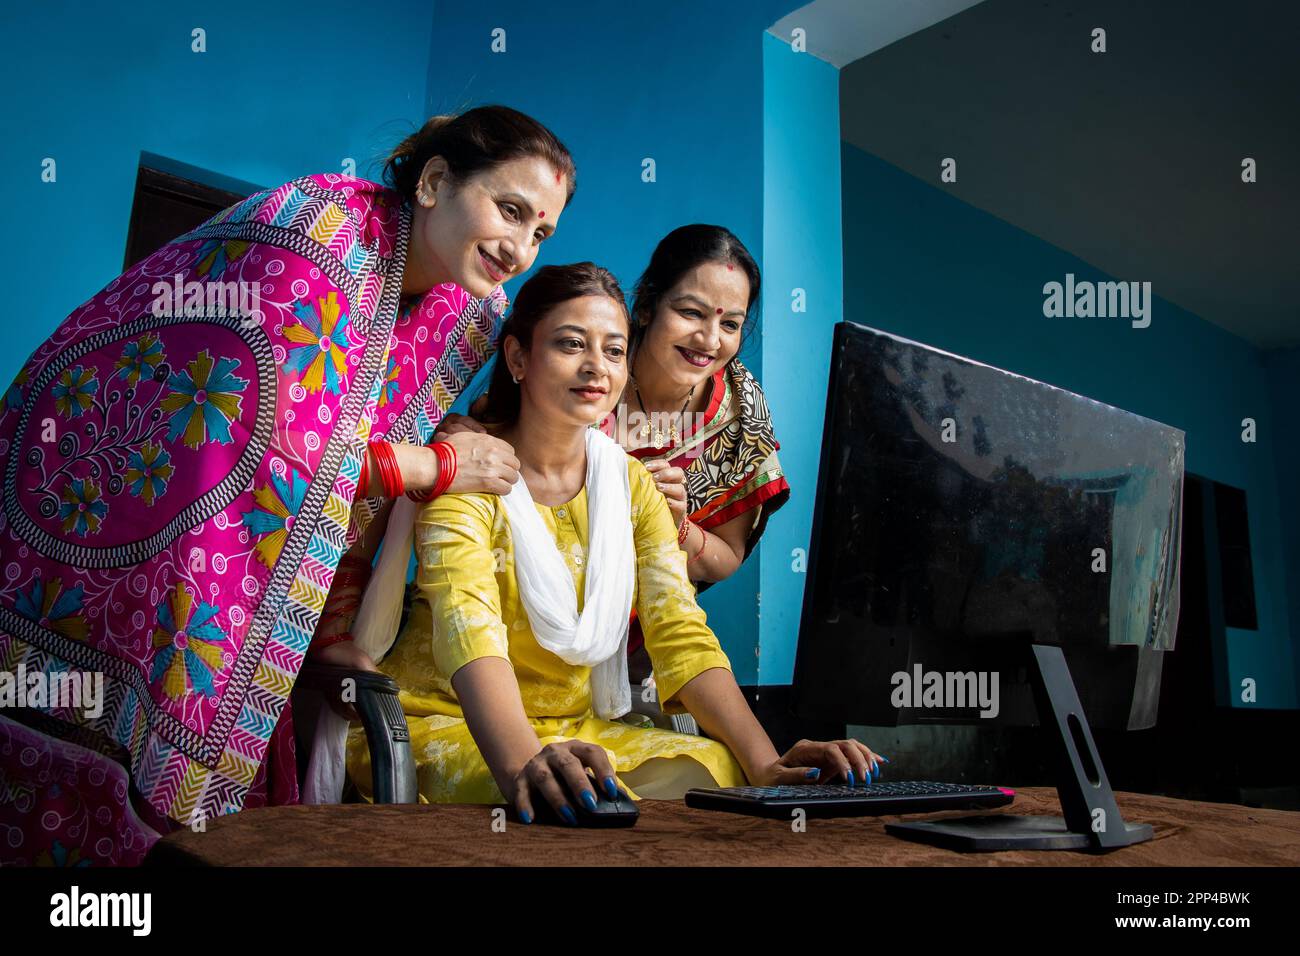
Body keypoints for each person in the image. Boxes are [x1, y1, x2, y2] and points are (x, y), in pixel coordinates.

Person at [0, 104, 572, 865]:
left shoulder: (466, 313)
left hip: (241, 584)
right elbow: (260, 447)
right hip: (117, 498)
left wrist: (333, 632)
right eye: (510, 210)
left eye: (541, 232)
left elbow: (353, 487)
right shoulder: (318, 232)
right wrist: (436, 467)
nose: (520, 248)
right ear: (435, 180)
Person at [346, 263, 884, 820]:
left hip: (579, 728)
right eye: (570, 344)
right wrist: (523, 763)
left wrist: (768, 765)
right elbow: (468, 631)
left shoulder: (629, 485)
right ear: (517, 358)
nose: (595, 368)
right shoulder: (473, 472)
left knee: (720, 773)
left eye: (614, 350)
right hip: (452, 724)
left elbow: (679, 631)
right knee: (564, 798)